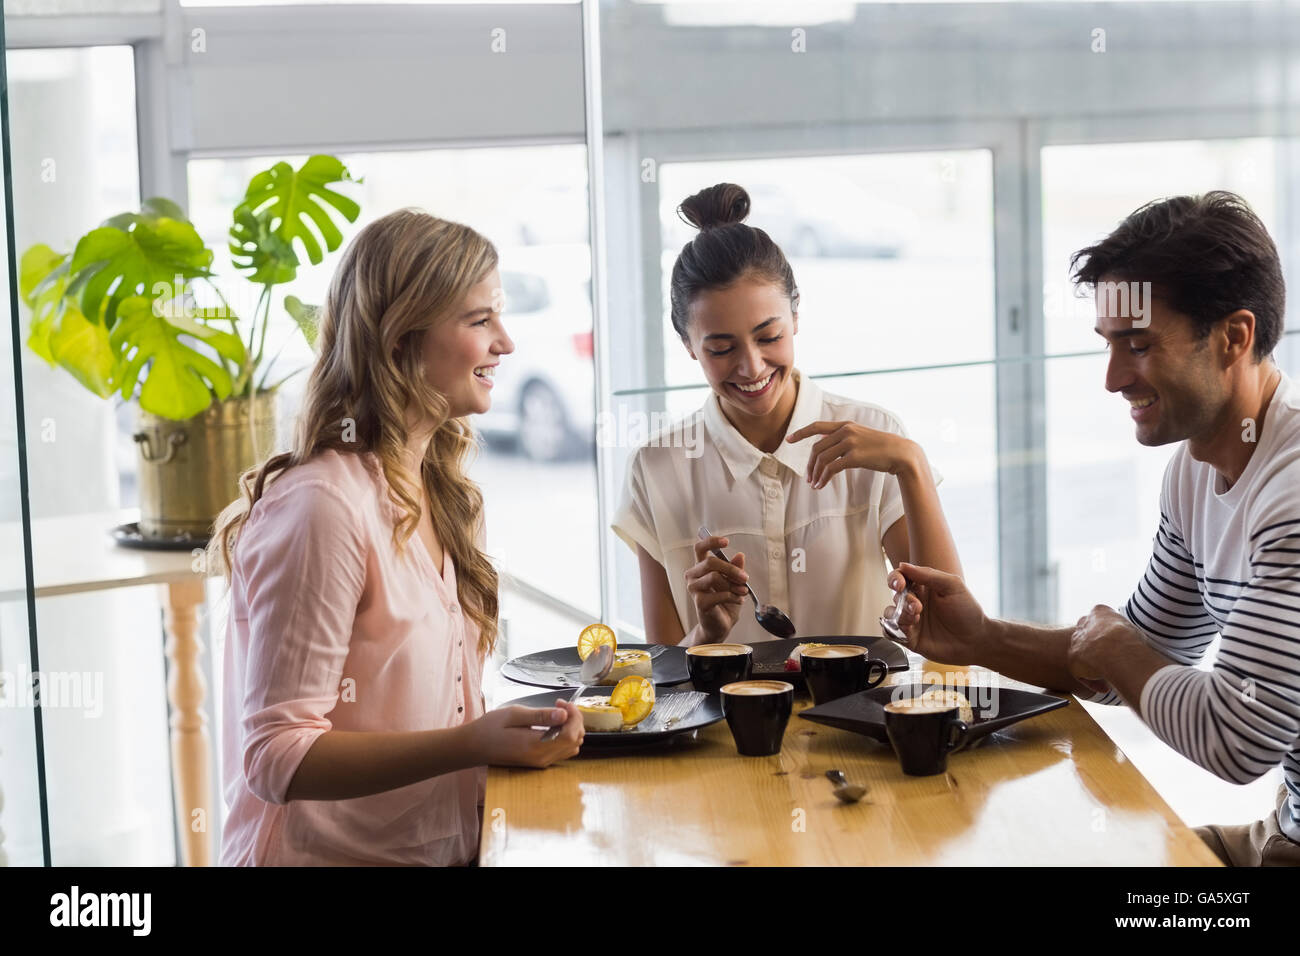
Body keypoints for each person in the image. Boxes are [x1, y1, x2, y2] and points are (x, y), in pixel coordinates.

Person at [887, 191, 1300, 867]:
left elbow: (1235, 739)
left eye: (1138, 347)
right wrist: (983, 637)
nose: (1112, 379)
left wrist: (1116, 652)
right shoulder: (1194, 472)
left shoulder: (1293, 490)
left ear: (1234, 337)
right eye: (1109, 346)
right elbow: (1123, 664)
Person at [209, 208, 584, 866]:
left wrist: (514, 734)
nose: (506, 342)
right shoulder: (324, 509)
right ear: (401, 341)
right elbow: (278, 754)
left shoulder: (436, 492)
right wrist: (474, 742)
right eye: (479, 320)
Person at [613, 183, 962, 646]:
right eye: (721, 348)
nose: (751, 366)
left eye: (769, 336)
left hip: (864, 716)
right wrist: (707, 632)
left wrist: (911, 463)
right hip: (722, 719)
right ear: (688, 346)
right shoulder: (657, 467)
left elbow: (955, 630)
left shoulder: (878, 437)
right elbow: (662, 679)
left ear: (795, 316)